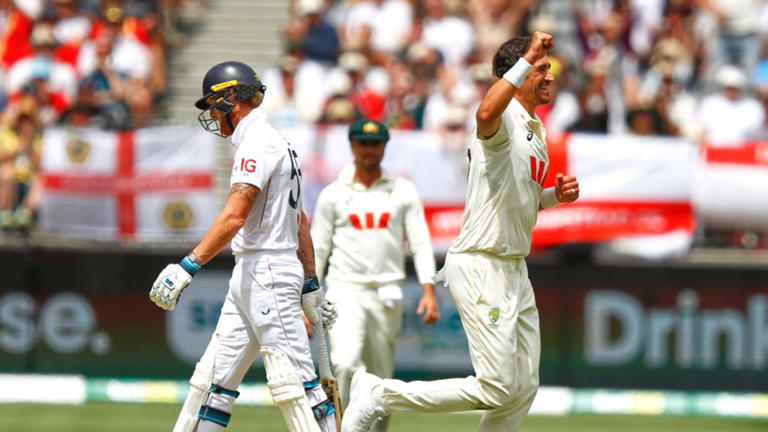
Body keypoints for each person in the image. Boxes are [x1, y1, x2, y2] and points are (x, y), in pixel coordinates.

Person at [342, 32, 580, 432]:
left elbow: (519, 198)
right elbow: (484, 115)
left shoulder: (532, 128)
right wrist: (526, 58)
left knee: (523, 387)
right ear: (516, 74)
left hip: (513, 268)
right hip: (482, 261)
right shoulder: (503, 116)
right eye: (540, 69)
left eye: (547, 70)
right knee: (497, 386)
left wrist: (553, 196)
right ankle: (379, 394)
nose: (549, 77)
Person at [148, 61, 338, 432]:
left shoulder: (257, 144)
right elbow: (299, 220)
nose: (214, 118)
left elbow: (235, 215)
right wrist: (310, 280)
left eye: (215, 106)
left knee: (298, 387)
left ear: (232, 99)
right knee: (212, 383)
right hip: (253, 273)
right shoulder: (278, 142)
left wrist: (188, 265)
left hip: (267, 271)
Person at [311, 119, 440, 431]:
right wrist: (309, 300)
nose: (369, 149)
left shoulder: (402, 190)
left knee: (381, 378)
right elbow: (318, 250)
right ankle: (338, 428)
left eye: (375, 143)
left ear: (384, 146)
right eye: (363, 143)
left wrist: (429, 290)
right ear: (353, 146)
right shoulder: (333, 193)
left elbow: (420, 241)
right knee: (344, 362)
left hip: (387, 290)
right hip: (344, 289)